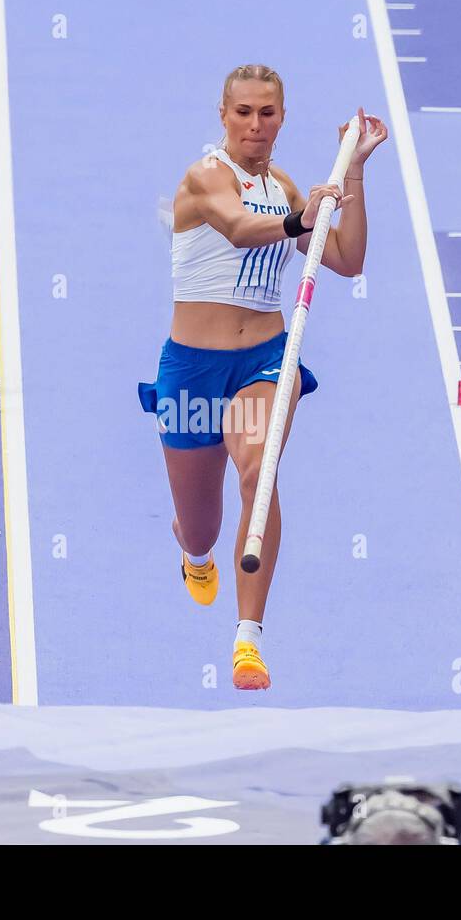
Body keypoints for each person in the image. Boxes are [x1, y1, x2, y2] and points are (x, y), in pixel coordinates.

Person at [137, 63, 388, 689]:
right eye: (243, 112)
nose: (255, 124)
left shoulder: (284, 183)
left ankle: (248, 638)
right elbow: (242, 229)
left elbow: (347, 259)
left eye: (267, 113)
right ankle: (193, 552)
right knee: (204, 526)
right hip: (193, 371)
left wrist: (351, 169)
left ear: (281, 118)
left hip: (266, 361)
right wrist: (305, 220)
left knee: (258, 466)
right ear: (223, 115)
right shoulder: (204, 178)